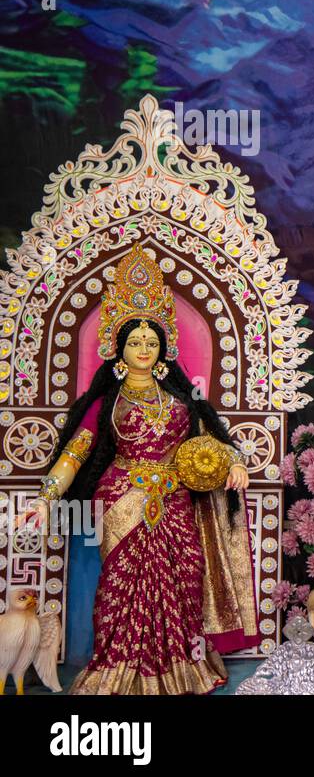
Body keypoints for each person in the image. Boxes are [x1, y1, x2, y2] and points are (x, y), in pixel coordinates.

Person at [19, 245, 258, 693]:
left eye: (151, 342)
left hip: (175, 501)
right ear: (119, 350)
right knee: (120, 587)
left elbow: (216, 445)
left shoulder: (186, 401)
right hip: (121, 499)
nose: (144, 349)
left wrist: (235, 464)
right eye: (135, 342)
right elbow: (74, 454)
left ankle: (183, 669)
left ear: (163, 348)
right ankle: (116, 668)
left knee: (185, 582)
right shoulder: (105, 404)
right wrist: (44, 497)